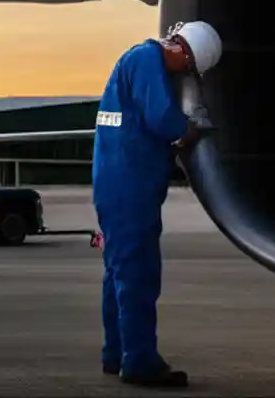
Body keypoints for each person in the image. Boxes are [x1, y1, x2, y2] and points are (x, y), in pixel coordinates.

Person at [92, 20, 223, 388]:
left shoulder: (132, 61)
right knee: (138, 276)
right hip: (130, 188)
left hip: (117, 184)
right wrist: (189, 131)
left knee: (117, 271)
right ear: (184, 53)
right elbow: (162, 118)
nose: (185, 74)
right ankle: (140, 361)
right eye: (190, 68)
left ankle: (115, 352)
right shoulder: (147, 60)